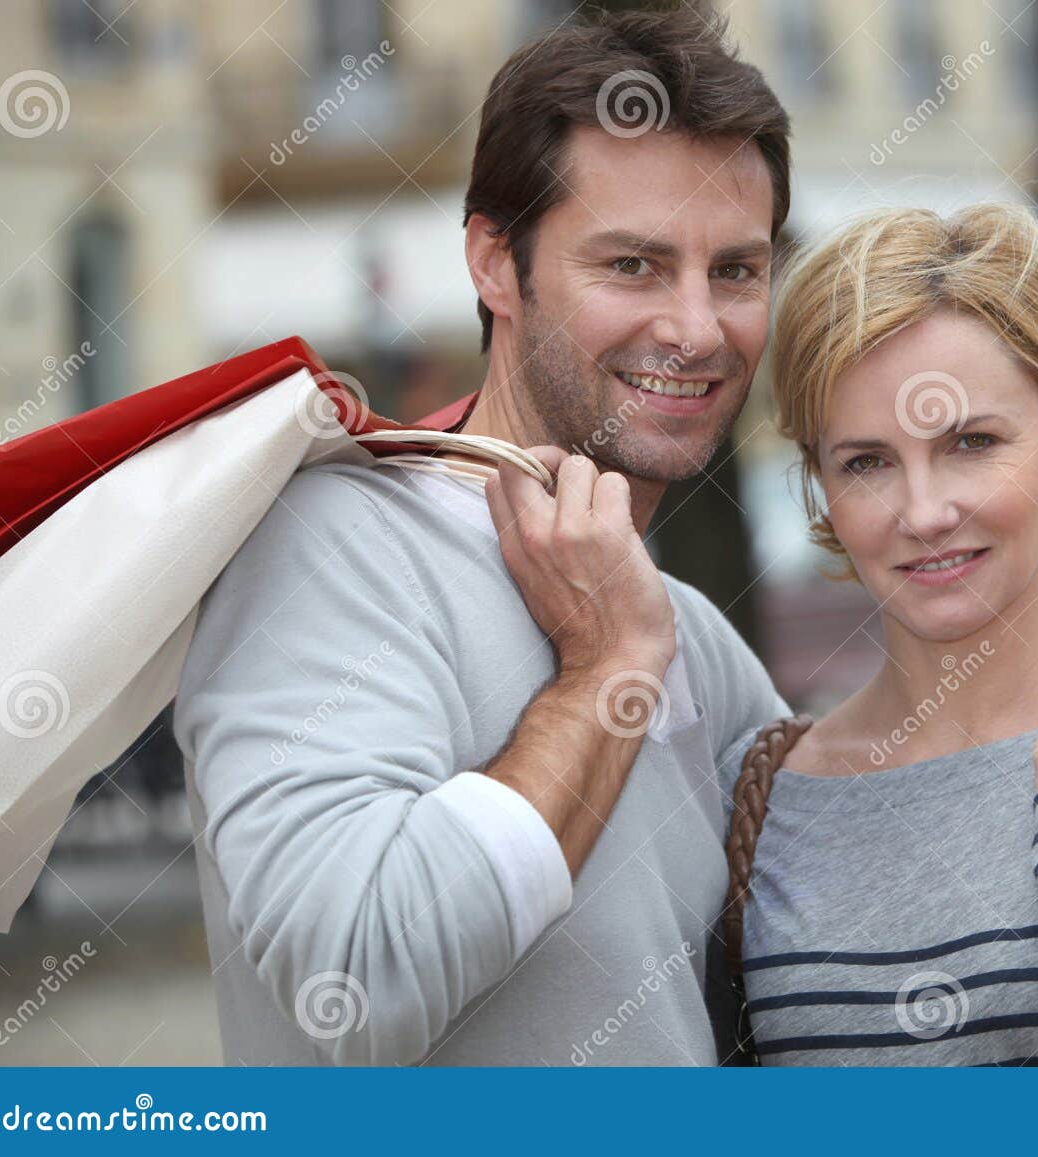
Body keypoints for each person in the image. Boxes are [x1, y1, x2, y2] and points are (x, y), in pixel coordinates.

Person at [172, 8, 793, 1065]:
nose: (697, 327)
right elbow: (352, 982)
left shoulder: (683, 624)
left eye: (735, 270)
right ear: (495, 264)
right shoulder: (330, 544)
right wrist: (603, 670)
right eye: (634, 265)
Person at [717, 203, 1038, 1065]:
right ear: (820, 485)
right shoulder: (763, 795)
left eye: (972, 443)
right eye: (866, 461)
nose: (924, 512)